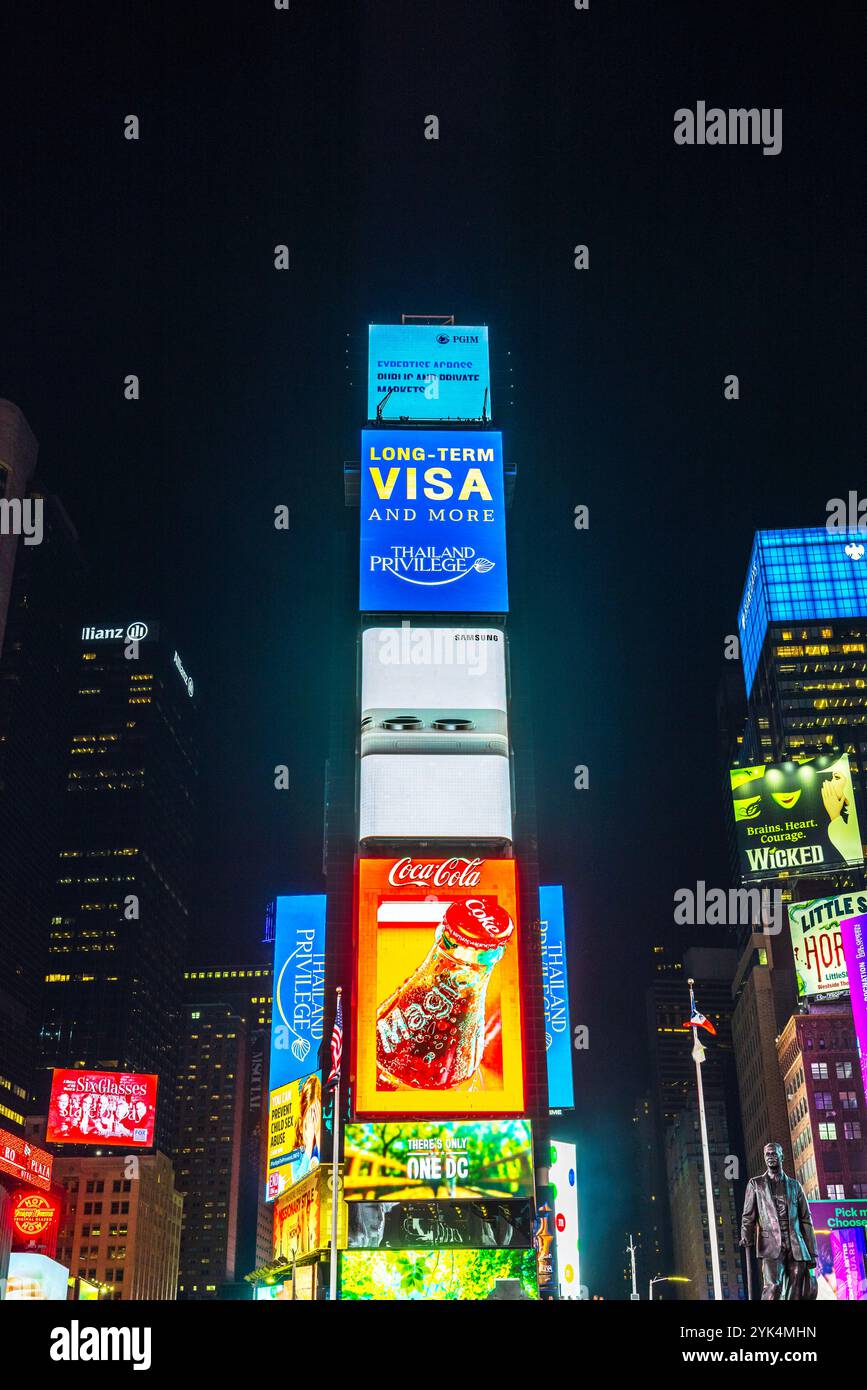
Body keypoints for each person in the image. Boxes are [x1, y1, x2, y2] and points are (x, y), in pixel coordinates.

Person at [740, 1141, 817, 1300]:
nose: (770, 1157)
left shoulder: (795, 1186)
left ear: (782, 1156)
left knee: (796, 1291)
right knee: (773, 1287)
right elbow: (748, 1216)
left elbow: (806, 1220)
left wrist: (812, 1253)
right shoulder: (756, 1184)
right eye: (767, 1154)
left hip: (796, 1245)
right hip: (771, 1246)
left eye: (774, 1153)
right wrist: (746, 1236)